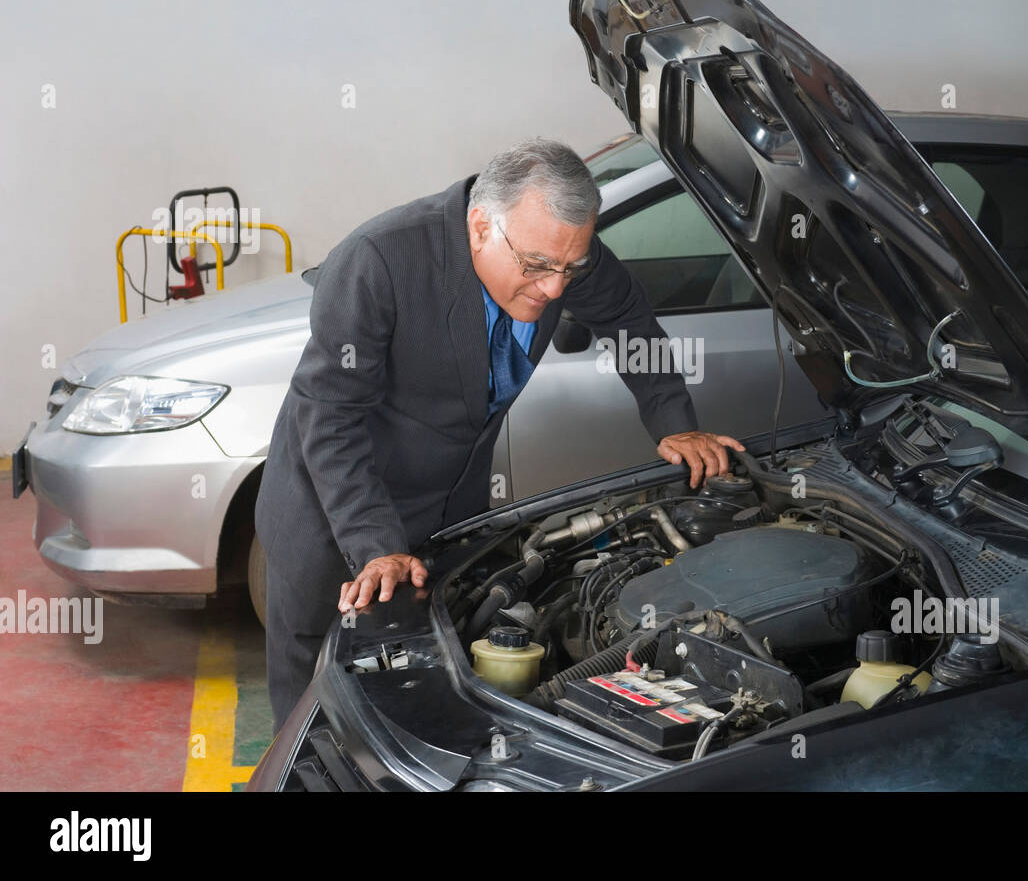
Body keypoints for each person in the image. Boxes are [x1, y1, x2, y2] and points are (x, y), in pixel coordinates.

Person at [254, 137, 743, 731]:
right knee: (315, 704)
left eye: (570, 269)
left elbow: (628, 318)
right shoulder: (380, 259)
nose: (556, 289)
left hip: (448, 511)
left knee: (426, 678)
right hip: (336, 518)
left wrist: (675, 423)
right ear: (481, 226)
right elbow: (328, 416)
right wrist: (375, 545)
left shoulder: (555, 250)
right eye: (538, 268)